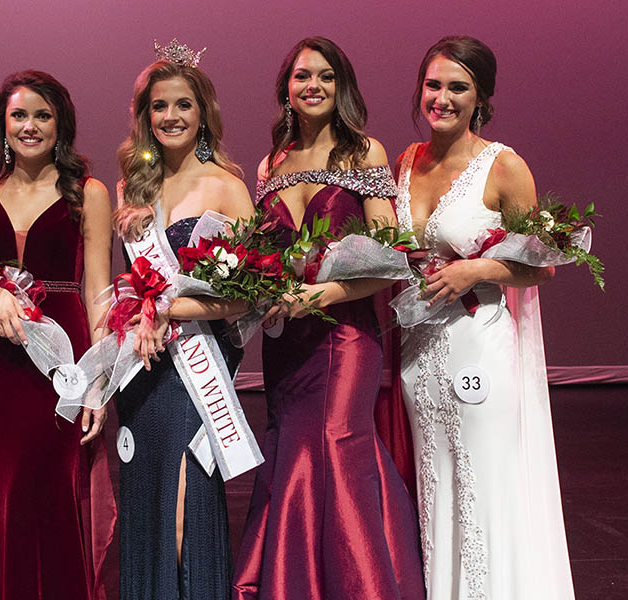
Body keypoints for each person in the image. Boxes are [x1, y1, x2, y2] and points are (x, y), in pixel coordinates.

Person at [232, 37, 425, 600]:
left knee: (339, 447)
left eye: (325, 76)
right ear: (285, 89)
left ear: (342, 87)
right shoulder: (271, 164)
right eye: (301, 76)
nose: (312, 86)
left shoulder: (362, 152)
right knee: (293, 453)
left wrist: (321, 295)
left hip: (345, 338)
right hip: (285, 345)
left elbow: (393, 260)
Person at [393, 36, 575, 599]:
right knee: (436, 483)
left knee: (482, 482)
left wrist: (475, 271)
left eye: (457, 87)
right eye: (433, 85)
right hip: (419, 349)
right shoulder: (405, 160)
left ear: (481, 98)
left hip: (481, 346)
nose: (441, 98)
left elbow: (541, 264)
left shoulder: (503, 165)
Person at [0, 70, 115, 600]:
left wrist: (96, 380)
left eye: (42, 115)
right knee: (1, 489)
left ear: (60, 125)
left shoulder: (89, 193)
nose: (30, 125)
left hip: (61, 359)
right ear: (3, 124)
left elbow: (97, 292)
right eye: (19, 115)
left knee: (53, 488)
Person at [112, 42, 254, 600]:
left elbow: (248, 298)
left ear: (203, 114)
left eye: (183, 105)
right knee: (147, 504)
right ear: (145, 116)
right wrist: (134, 311)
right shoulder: (132, 190)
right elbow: (123, 286)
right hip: (143, 370)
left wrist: (165, 308)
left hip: (198, 370)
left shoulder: (228, 187)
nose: (170, 116)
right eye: (158, 106)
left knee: (184, 507)